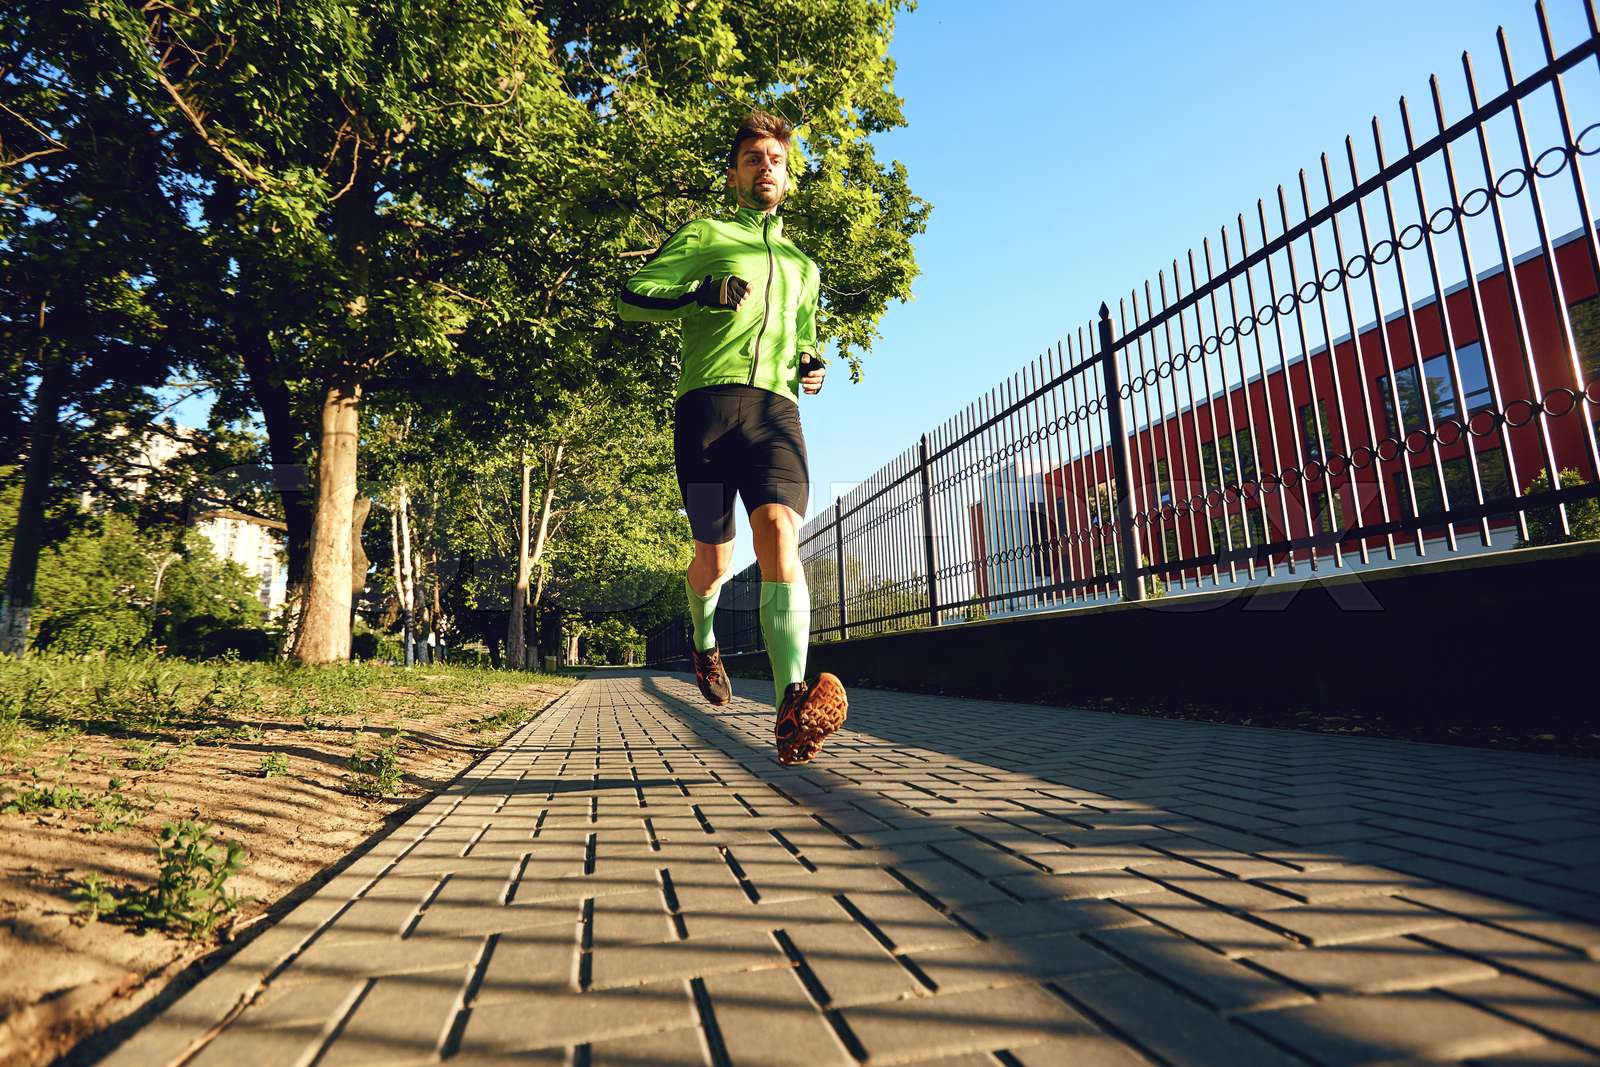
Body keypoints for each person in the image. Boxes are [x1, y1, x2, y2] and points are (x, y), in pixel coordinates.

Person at [617, 111, 848, 765]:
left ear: (788, 176)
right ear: (733, 175)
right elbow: (631, 294)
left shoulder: (805, 266)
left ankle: (790, 705)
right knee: (715, 562)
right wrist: (701, 292)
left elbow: (805, 334)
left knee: (778, 528)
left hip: (775, 416)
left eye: (775, 158)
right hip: (708, 412)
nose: (765, 166)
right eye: (753, 158)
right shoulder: (705, 234)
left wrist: (813, 362)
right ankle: (703, 635)